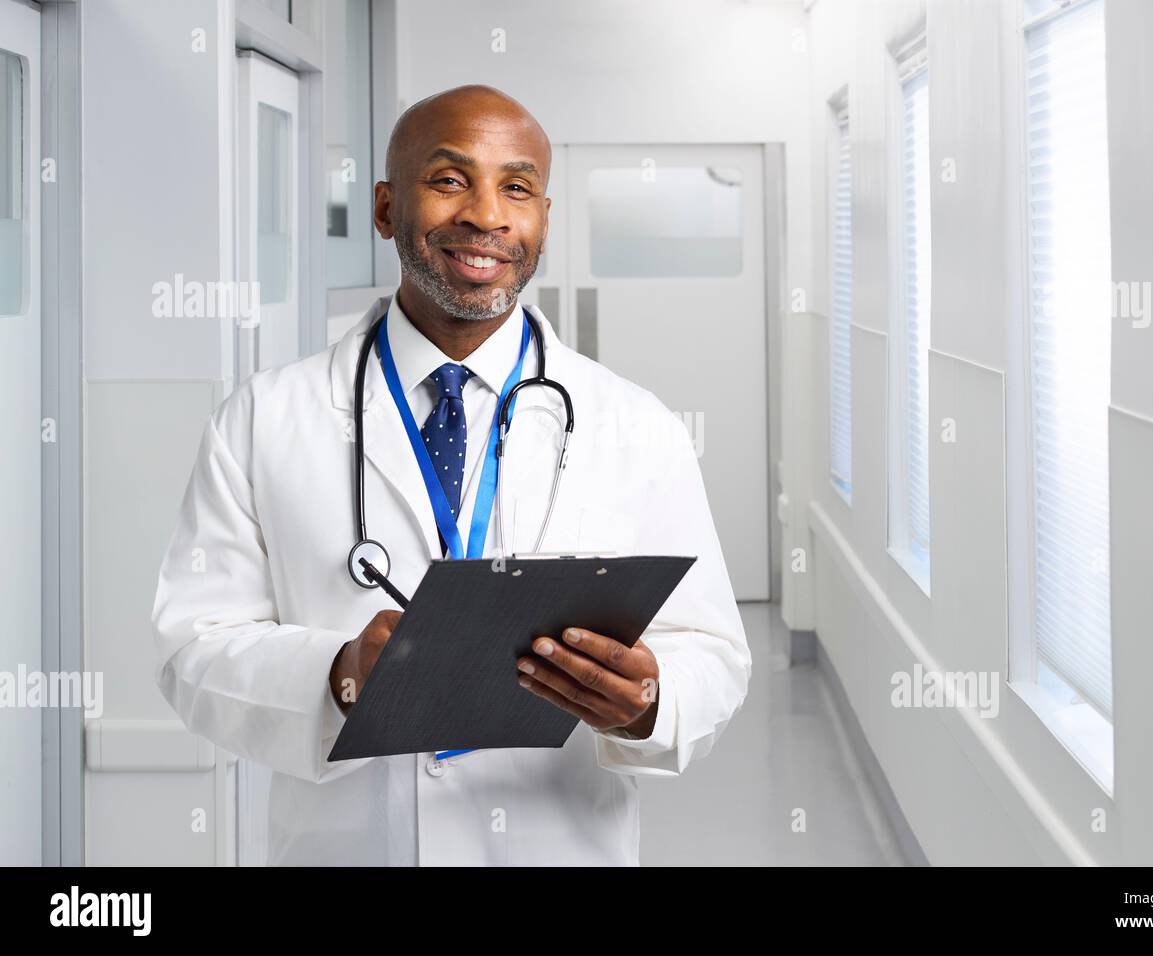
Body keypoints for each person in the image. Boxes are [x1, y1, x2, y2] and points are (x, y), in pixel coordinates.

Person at [151, 85, 751, 865]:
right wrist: (338, 676)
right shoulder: (263, 420)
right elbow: (192, 647)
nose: (487, 215)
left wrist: (647, 700)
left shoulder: (636, 428)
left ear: (542, 219)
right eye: (448, 180)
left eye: (518, 188)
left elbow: (713, 653)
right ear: (383, 208)